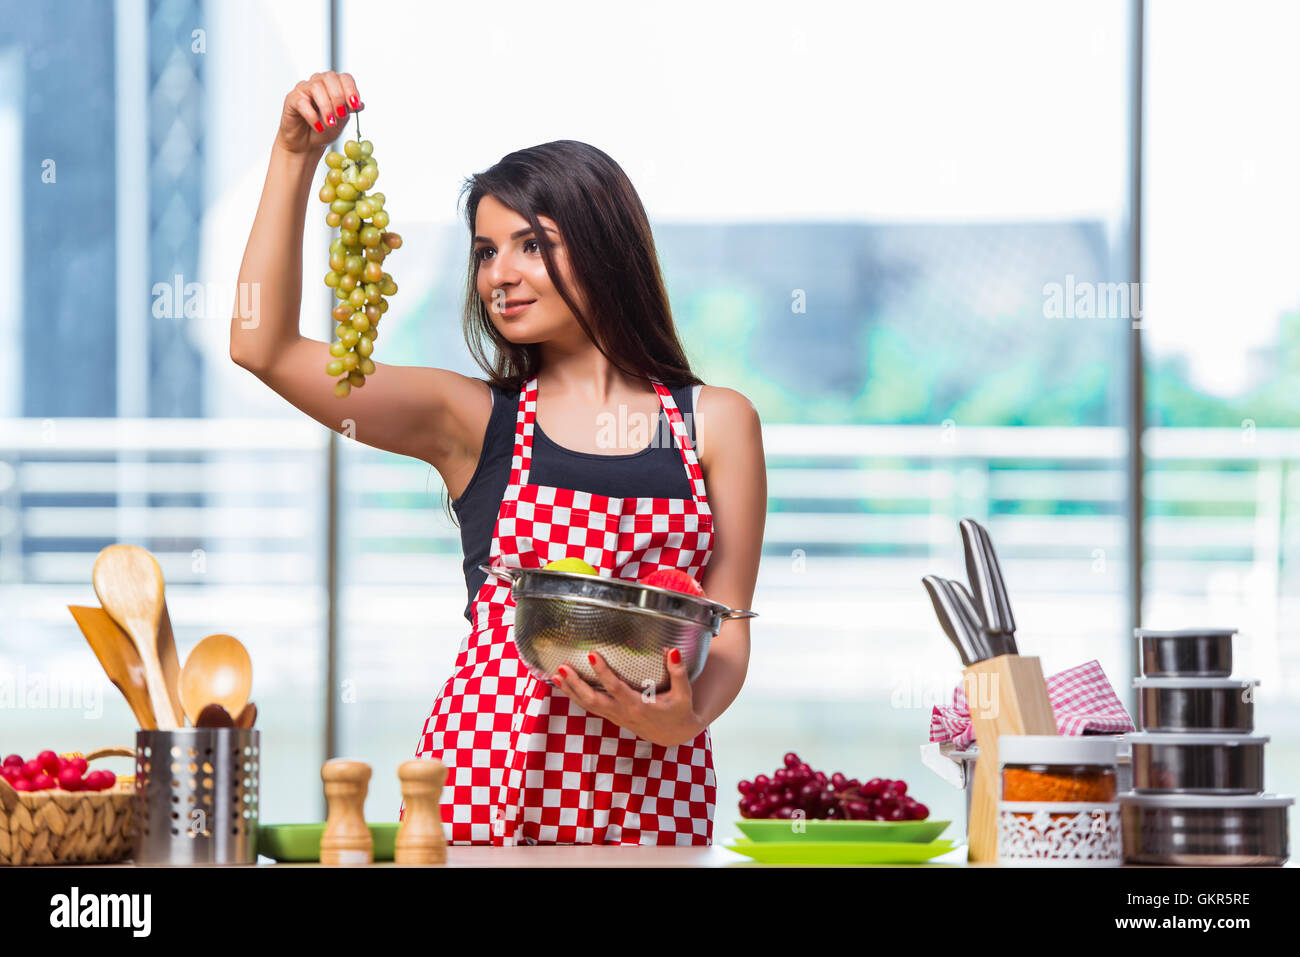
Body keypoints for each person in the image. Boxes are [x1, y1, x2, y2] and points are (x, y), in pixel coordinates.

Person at [229, 72, 765, 846]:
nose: (498, 275)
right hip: (476, 802)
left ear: (607, 249)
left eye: (531, 246)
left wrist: (690, 714)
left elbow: (732, 629)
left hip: (654, 800)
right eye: (485, 251)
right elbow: (262, 345)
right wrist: (293, 157)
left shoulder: (717, 424)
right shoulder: (472, 421)